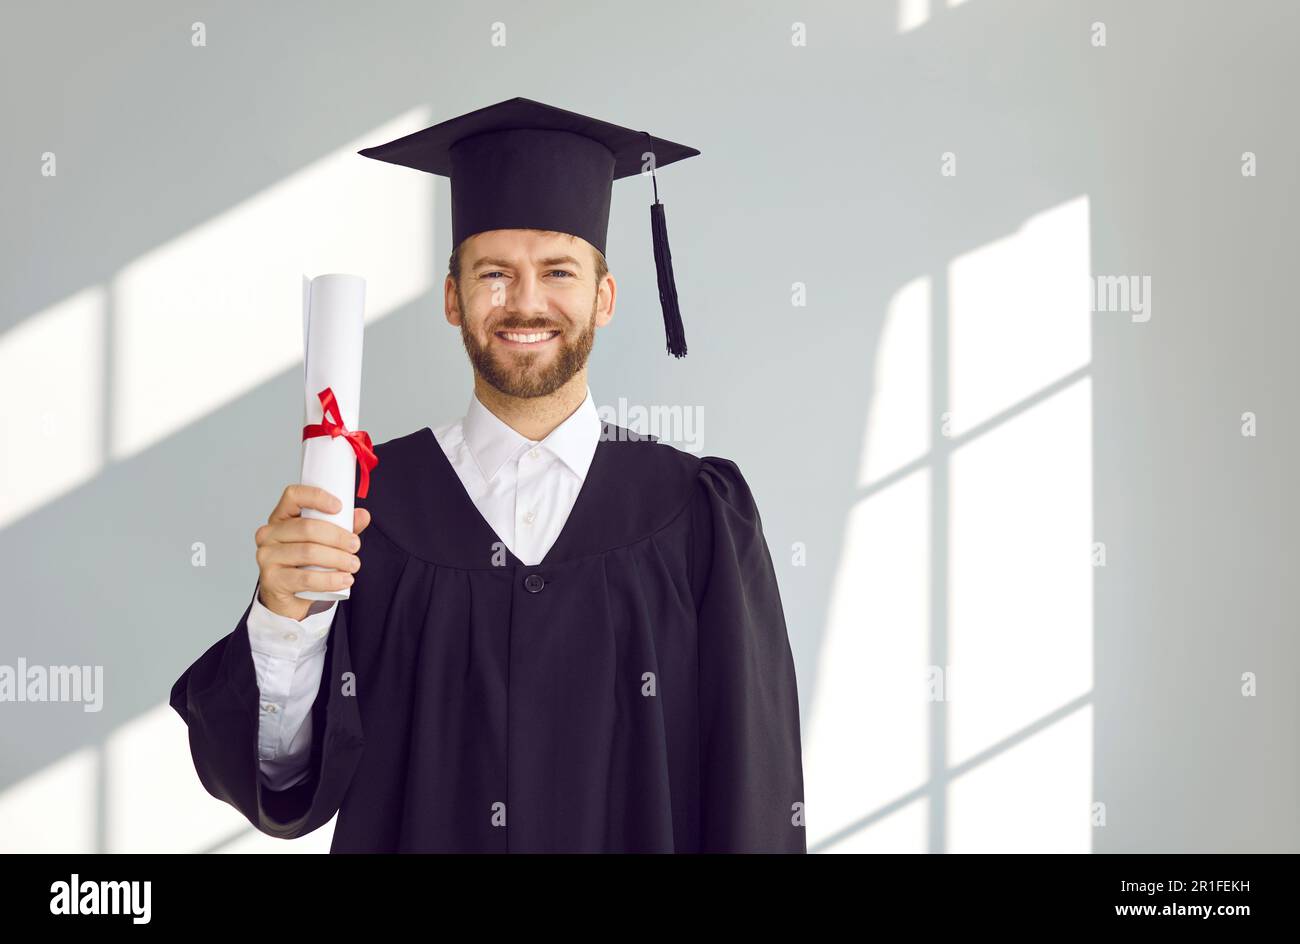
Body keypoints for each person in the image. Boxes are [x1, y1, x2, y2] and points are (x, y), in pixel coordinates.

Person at [169, 97, 807, 853]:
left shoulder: (694, 515)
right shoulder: (366, 506)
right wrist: (285, 616)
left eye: (559, 271)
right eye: (494, 273)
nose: (525, 301)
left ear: (604, 297)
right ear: (453, 298)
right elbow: (282, 786)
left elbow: (754, 797)